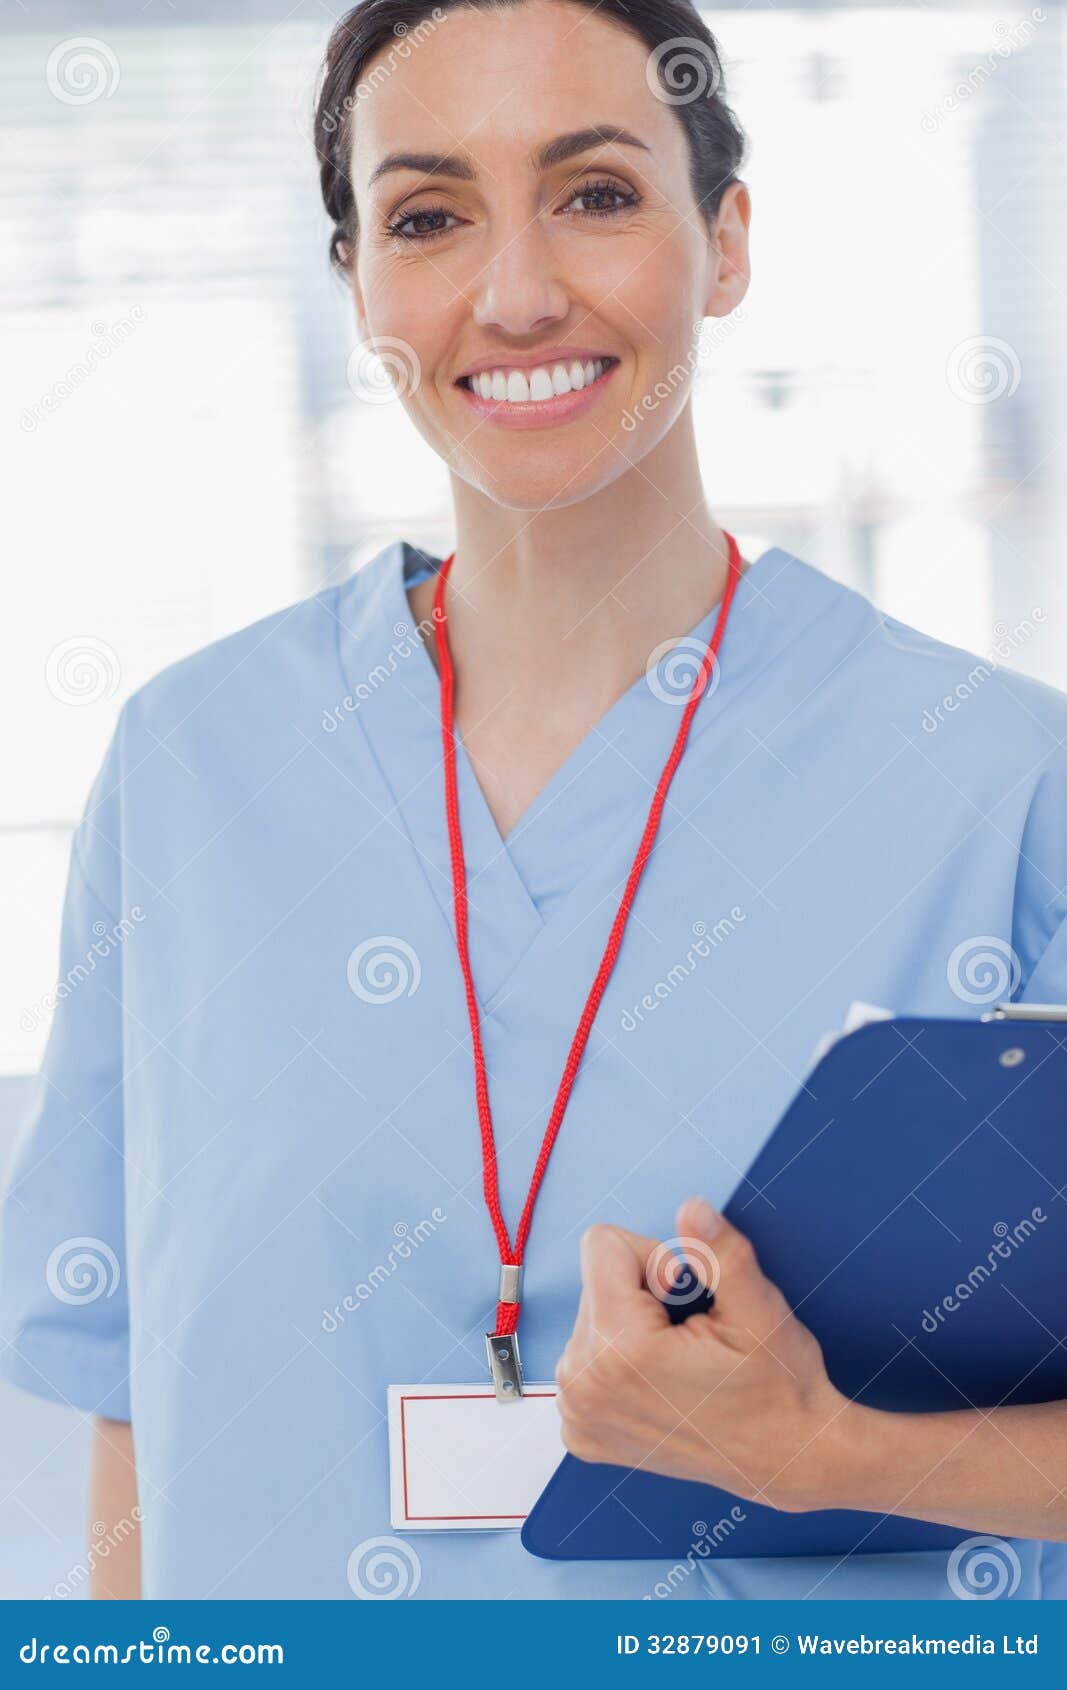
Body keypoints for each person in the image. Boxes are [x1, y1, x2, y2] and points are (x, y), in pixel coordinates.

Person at [2, 0, 1066, 1602]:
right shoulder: (190, 768)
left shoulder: (996, 782)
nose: (514, 294)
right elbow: (139, 1413)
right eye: (428, 218)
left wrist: (826, 1451)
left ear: (727, 242)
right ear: (357, 282)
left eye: (596, 193)